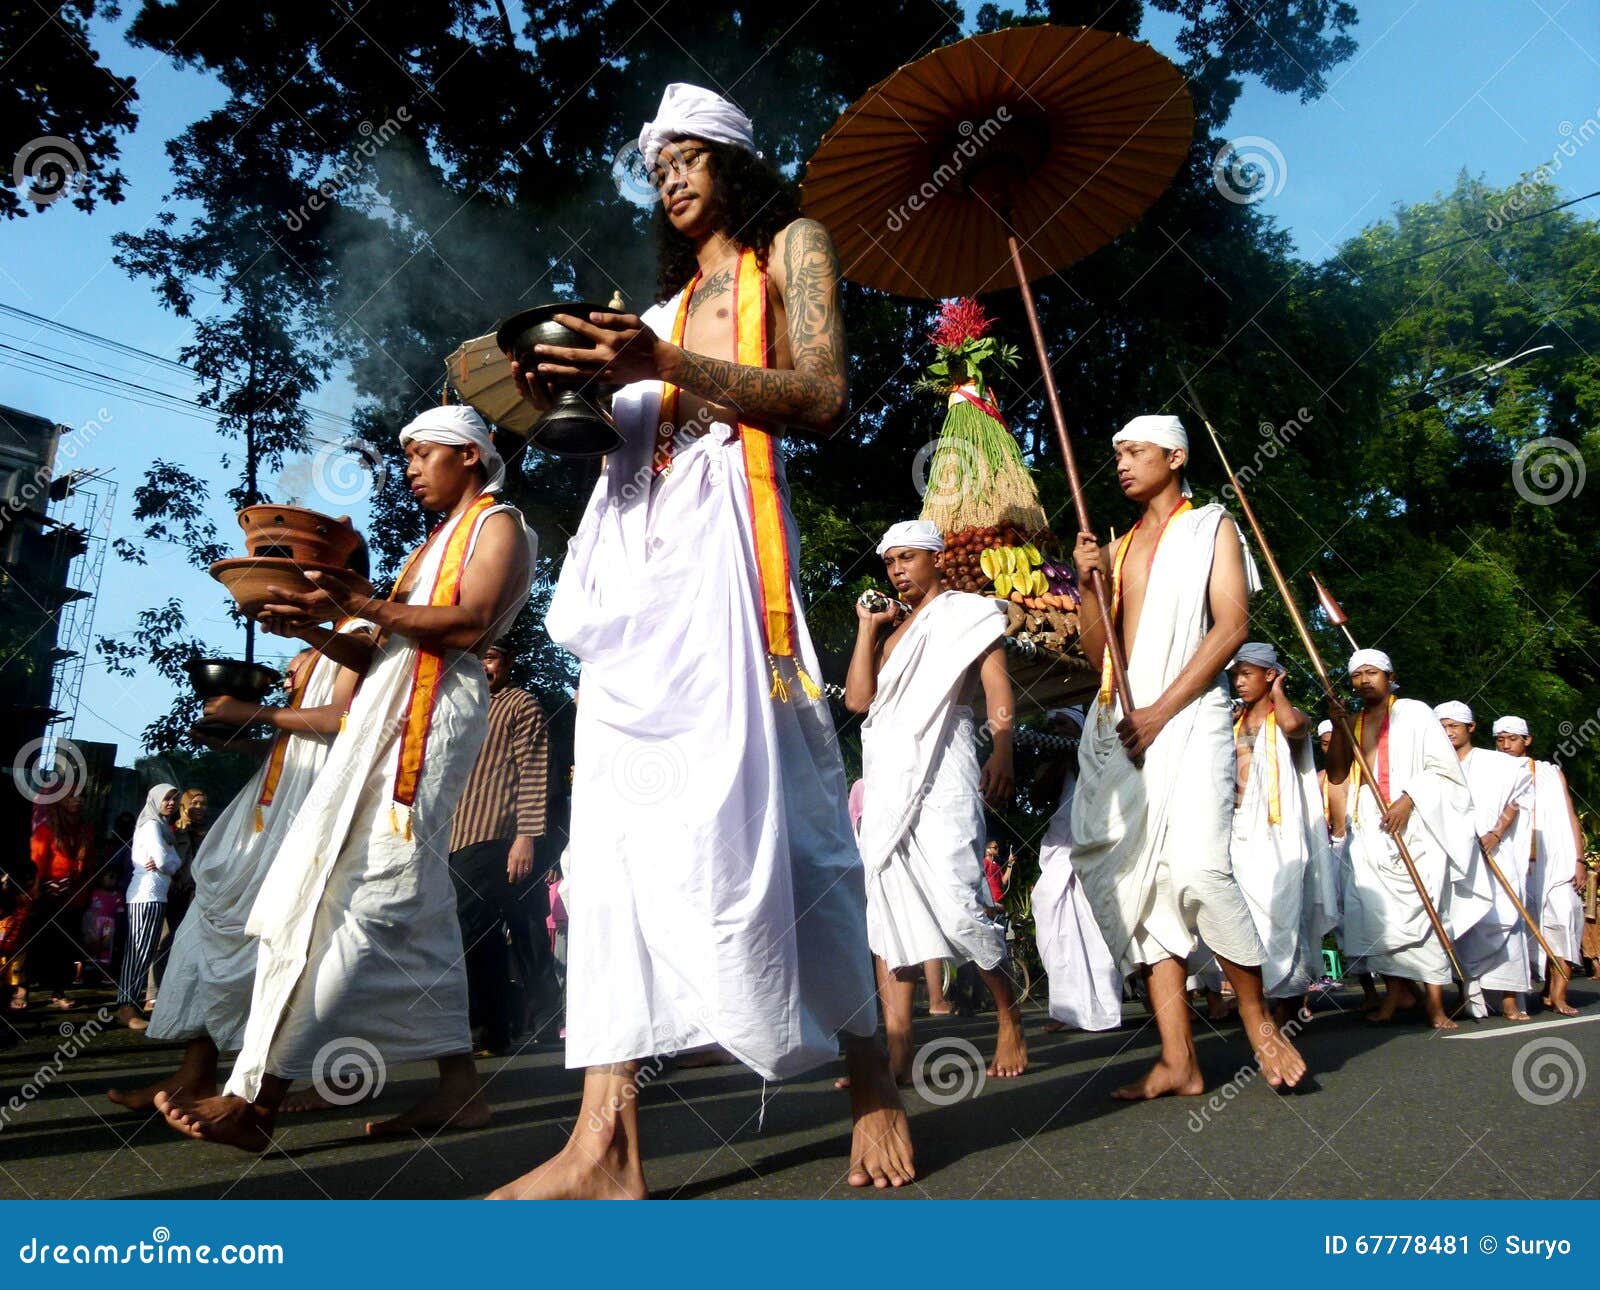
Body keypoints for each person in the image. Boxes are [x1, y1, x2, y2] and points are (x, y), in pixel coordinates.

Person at [491, 83, 911, 1197]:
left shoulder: (793, 250)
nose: (670, 179)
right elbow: (624, 443)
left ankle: (872, 1083)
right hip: (643, 577)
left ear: (734, 161)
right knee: (619, 842)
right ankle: (603, 1145)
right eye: (658, 166)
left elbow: (824, 399)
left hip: (738, 568)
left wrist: (659, 367)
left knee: (799, 821)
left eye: (689, 159)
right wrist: (565, 390)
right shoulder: (661, 309)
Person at [154, 404, 536, 1151]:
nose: (412, 468)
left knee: (360, 893)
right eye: (409, 456)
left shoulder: (500, 525)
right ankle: (460, 1090)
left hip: (430, 725)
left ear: (469, 455)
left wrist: (358, 601)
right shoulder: (433, 547)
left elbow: (471, 624)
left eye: (424, 454)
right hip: (391, 716)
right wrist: (312, 629)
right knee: (407, 902)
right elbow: (387, 657)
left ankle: (259, 1095)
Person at [1065, 414, 1303, 1098]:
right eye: (1115, 453)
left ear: (1176, 455)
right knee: (1139, 889)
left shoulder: (1212, 527)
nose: (1121, 463)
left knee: (1199, 868)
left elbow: (1233, 627)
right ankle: (1179, 1060)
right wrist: (1087, 586)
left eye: (1135, 451)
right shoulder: (1114, 549)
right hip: (1121, 726)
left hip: (1189, 716)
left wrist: (1162, 710)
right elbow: (1097, 654)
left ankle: (1259, 1023)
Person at [107, 638, 367, 1112]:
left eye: (295, 670)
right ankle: (194, 1074)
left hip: (306, 826)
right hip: (262, 824)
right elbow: (286, 754)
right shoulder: (307, 681)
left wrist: (257, 712)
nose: (288, 679)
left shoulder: (355, 645)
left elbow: (340, 722)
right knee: (206, 934)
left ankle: (301, 1082)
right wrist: (235, 737)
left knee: (283, 948)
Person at [846, 519, 1025, 1082]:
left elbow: (997, 691)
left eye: (907, 558)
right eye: (890, 561)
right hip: (887, 776)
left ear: (935, 559)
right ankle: (898, 1050)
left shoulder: (969, 614)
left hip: (944, 767)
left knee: (957, 897)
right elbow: (857, 701)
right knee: (889, 910)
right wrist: (867, 630)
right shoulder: (892, 633)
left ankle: (1008, 1017)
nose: (897, 570)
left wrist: (1003, 751)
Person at [1326, 655, 1482, 1029]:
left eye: (1372, 673)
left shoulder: (1414, 713)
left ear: (1391, 677)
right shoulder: (1352, 721)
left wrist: (1409, 799)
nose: (1364, 680)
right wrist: (1336, 723)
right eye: (1357, 675)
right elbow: (1335, 773)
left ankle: (1435, 1005)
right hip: (1369, 823)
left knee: (1425, 910)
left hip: (1416, 820)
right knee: (1374, 911)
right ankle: (1396, 991)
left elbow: (1443, 769)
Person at [447, 638, 554, 1055]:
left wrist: (526, 837)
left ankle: (494, 1027)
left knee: (480, 927)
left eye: (489, 658)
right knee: (490, 932)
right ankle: (496, 1029)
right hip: (456, 835)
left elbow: (534, 773)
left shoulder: (520, 705)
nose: (482, 667)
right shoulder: (459, 709)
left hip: (500, 836)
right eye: (475, 660)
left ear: (508, 661)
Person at [1224, 643, 1339, 1025]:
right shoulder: (1233, 724)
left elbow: (1293, 728)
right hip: (1240, 830)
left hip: (1280, 833)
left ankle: (1288, 1003)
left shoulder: (1288, 718)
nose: (1238, 682)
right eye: (1235, 675)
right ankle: (1258, 1004)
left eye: (1247, 674)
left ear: (1270, 675)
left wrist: (1279, 693)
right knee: (1249, 918)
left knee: (1284, 913)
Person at [1435, 701, 1533, 1021]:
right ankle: (1470, 995)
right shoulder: (1434, 766)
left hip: (1495, 851)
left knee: (1505, 919)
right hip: (1456, 857)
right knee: (1463, 921)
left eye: (1454, 726)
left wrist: (1497, 833)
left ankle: (1508, 1000)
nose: (1448, 732)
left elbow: (1516, 800)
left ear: (1471, 728)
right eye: (1442, 726)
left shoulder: (1498, 763)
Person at [1032, 706, 1123, 1035]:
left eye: (1062, 723)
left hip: (1091, 847)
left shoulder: (1095, 756)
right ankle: (1065, 1007)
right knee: (1049, 915)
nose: (1055, 728)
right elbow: (1038, 795)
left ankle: (1105, 1004)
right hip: (1059, 848)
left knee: (1093, 925)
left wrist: (1077, 752)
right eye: (1052, 724)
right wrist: (1059, 757)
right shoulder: (1053, 760)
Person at [1493, 716, 1587, 1015]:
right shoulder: (1489, 774)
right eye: (1500, 739)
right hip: (1514, 865)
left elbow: (1569, 815)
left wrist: (1579, 859)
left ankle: (1558, 994)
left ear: (1527, 740)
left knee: (1563, 919)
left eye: (1513, 738)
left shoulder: (1550, 772)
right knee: (1516, 928)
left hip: (1555, 864)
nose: (1506, 745)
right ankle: (1522, 991)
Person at [118, 785, 182, 1031]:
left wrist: (169, 861)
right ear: (155, 800)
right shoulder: (152, 826)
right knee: (139, 952)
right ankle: (126, 1006)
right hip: (145, 895)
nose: (171, 802)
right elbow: (168, 862)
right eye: (166, 798)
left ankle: (131, 1003)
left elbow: (172, 861)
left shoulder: (163, 828)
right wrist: (169, 860)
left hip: (157, 895)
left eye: (175, 799)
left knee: (145, 952)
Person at [25, 790, 94, 1011]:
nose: (78, 800)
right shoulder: (47, 829)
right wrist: (34, 890)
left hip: (73, 895)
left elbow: (89, 864)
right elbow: (36, 861)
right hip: (46, 895)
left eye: (81, 796)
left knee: (65, 945)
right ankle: (22, 989)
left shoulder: (85, 830)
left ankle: (59, 991)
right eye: (71, 796)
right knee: (35, 941)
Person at [151, 787, 208, 1000]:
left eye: (202, 803)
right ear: (184, 805)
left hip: (194, 894)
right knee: (164, 940)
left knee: (185, 940)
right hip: (172, 892)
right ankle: (152, 993)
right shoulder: (173, 831)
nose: (200, 807)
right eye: (195, 803)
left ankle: (176, 991)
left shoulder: (207, 833)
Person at [82, 868, 122, 975]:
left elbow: (119, 913)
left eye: (114, 878)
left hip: (109, 923)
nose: (111, 880)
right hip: (94, 921)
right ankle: (90, 965)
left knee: (106, 944)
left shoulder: (117, 896)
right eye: (109, 877)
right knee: (92, 941)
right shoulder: (95, 893)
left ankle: (103, 969)